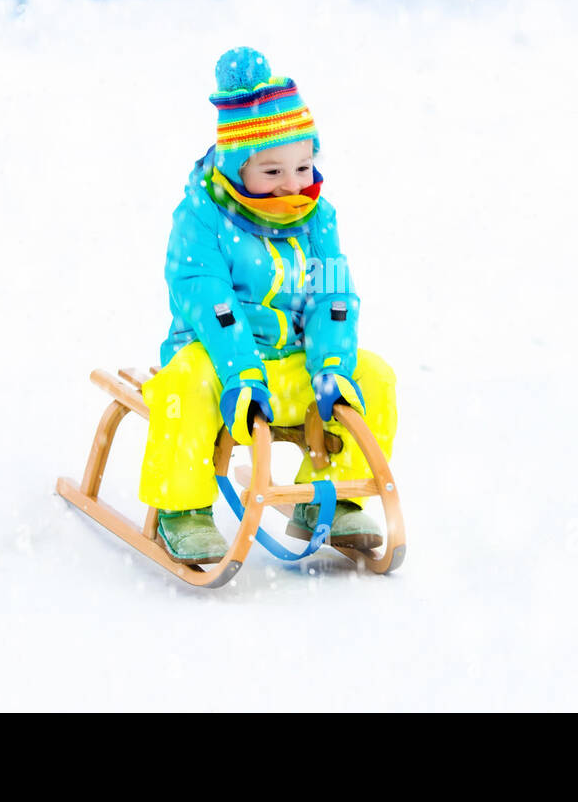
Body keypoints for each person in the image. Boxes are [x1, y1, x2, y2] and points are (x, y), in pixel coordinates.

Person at [137, 46, 398, 564]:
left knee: (374, 378)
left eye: (303, 165)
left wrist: (331, 367)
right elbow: (209, 298)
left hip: (293, 361)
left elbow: (333, 294)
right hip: (217, 356)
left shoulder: (317, 217)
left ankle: (336, 496)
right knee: (186, 387)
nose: (295, 184)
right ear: (238, 167)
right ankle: (182, 510)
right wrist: (241, 373)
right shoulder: (203, 217)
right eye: (273, 171)